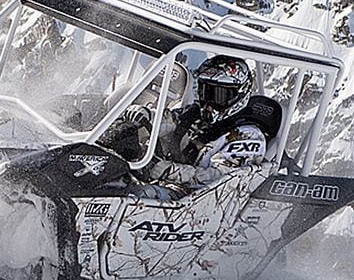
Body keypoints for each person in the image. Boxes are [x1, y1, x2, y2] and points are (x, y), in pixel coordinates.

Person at [103, 55, 276, 191]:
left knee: (131, 193)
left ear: (239, 95)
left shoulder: (247, 136)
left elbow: (223, 180)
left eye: (218, 95)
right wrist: (146, 115)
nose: (208, 102)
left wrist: (170, 171)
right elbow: (170, 121)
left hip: (197, 204)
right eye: (205, 92)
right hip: (165, 186)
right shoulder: (195, 115)